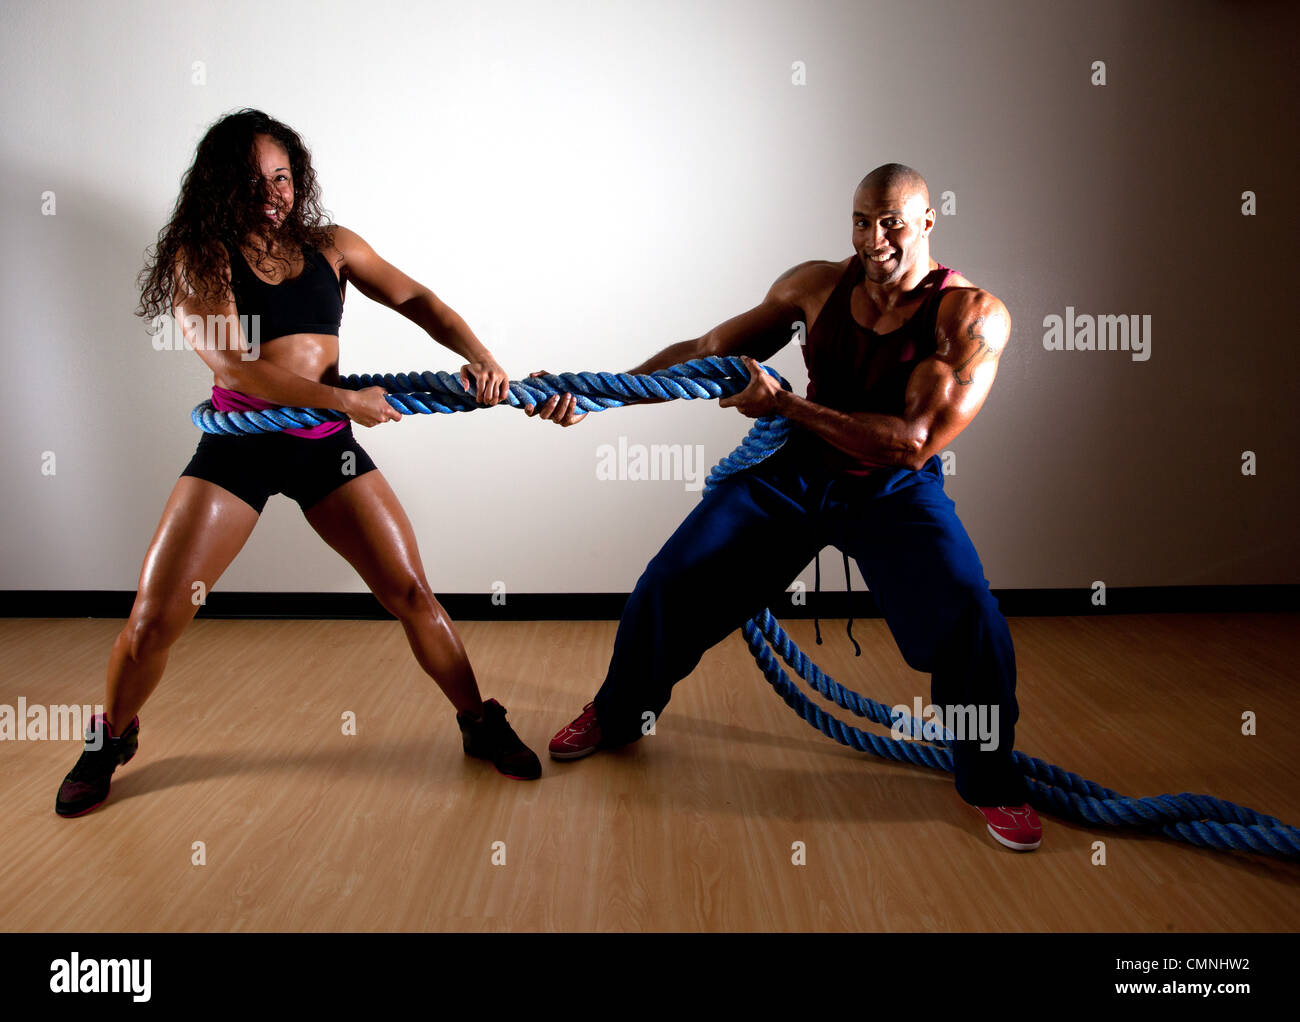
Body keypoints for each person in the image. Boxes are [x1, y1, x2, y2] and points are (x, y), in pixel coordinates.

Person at [529, 163, 1041, 850]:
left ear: (927, 221)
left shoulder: (971, 316)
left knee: (968, 612)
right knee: (671, 581)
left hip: (890, 486)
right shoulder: (816, 286)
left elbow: (910, 443)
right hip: (795, 473)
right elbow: (709, 352)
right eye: (862, 220)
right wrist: (594, 393)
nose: (874, 238)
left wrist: (787, 405)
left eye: (892, 221)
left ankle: (992, 778)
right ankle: (618, 715)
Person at [55, 109, 540, 817]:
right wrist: (343, 401)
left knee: (410, 593)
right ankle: (110, 739)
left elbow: (417, 298)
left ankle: (476, 721)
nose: (272, 193)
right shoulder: (203, 254)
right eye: (254, 182)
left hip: (323, 449)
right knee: (153, 620)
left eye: (282, 177)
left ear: (298, 178)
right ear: (224, 187)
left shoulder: (332, 246)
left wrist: (482, 360)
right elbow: (235, 364)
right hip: (239, 447)